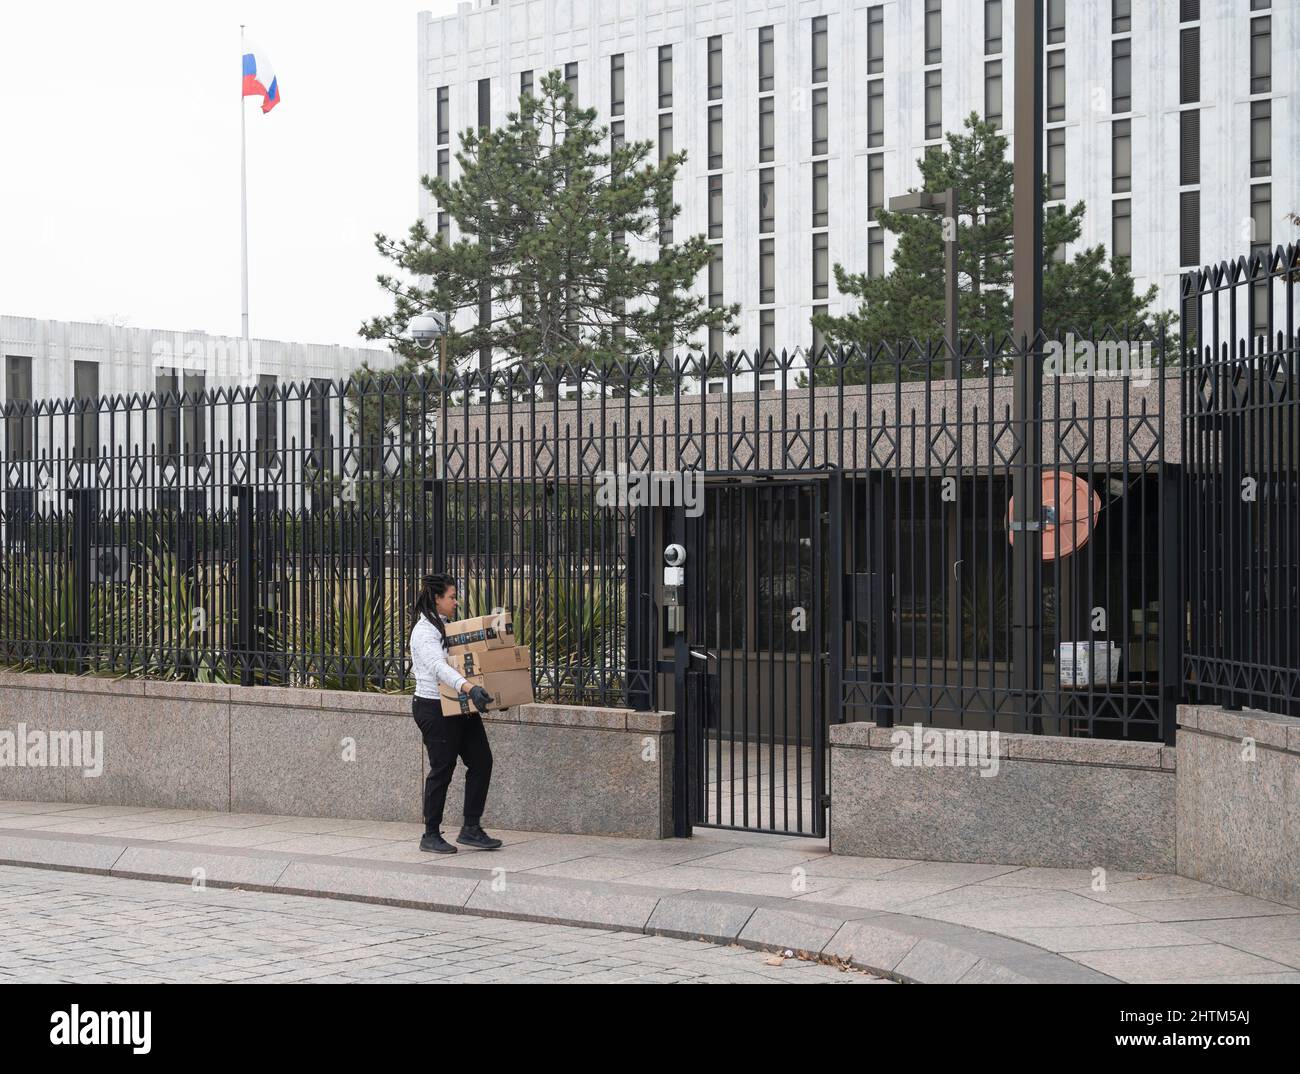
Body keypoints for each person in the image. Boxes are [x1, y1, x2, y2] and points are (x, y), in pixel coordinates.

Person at [409, 573, 503, 854]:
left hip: (459, 704)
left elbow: (469, 661)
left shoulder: (447, 626)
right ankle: (430, 834)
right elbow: (439, 668)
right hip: (434, 707)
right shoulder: (424, 632)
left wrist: (492, 694)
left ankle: (471, 828)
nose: (456, 601)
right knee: (442, 769)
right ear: (437, 598)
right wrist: (469, 688)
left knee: (482, 761)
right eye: (451, 596)